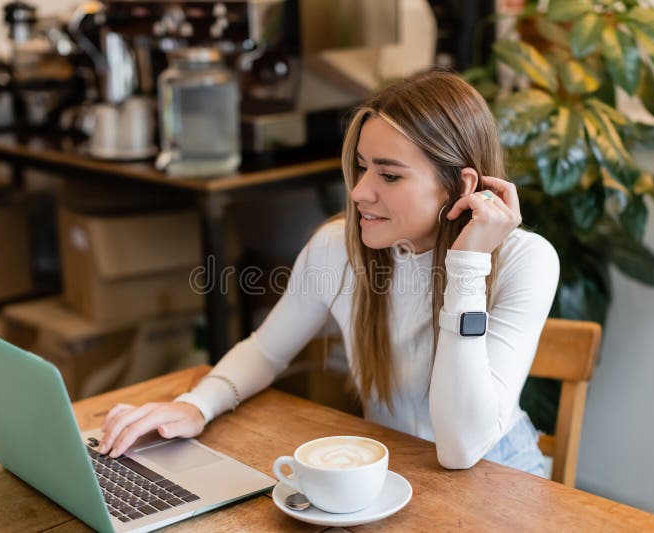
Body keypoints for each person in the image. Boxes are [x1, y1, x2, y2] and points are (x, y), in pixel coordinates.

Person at [98, 69, 559, 475]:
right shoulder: (336, 249)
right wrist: (195, 406)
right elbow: (265, 350)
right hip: (392, 470)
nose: (359, 192)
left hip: (499, 479)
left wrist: (467, 265)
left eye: (389, 175)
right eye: (360, 168)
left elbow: (460, 450)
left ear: (462, 185)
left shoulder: (526, 260)